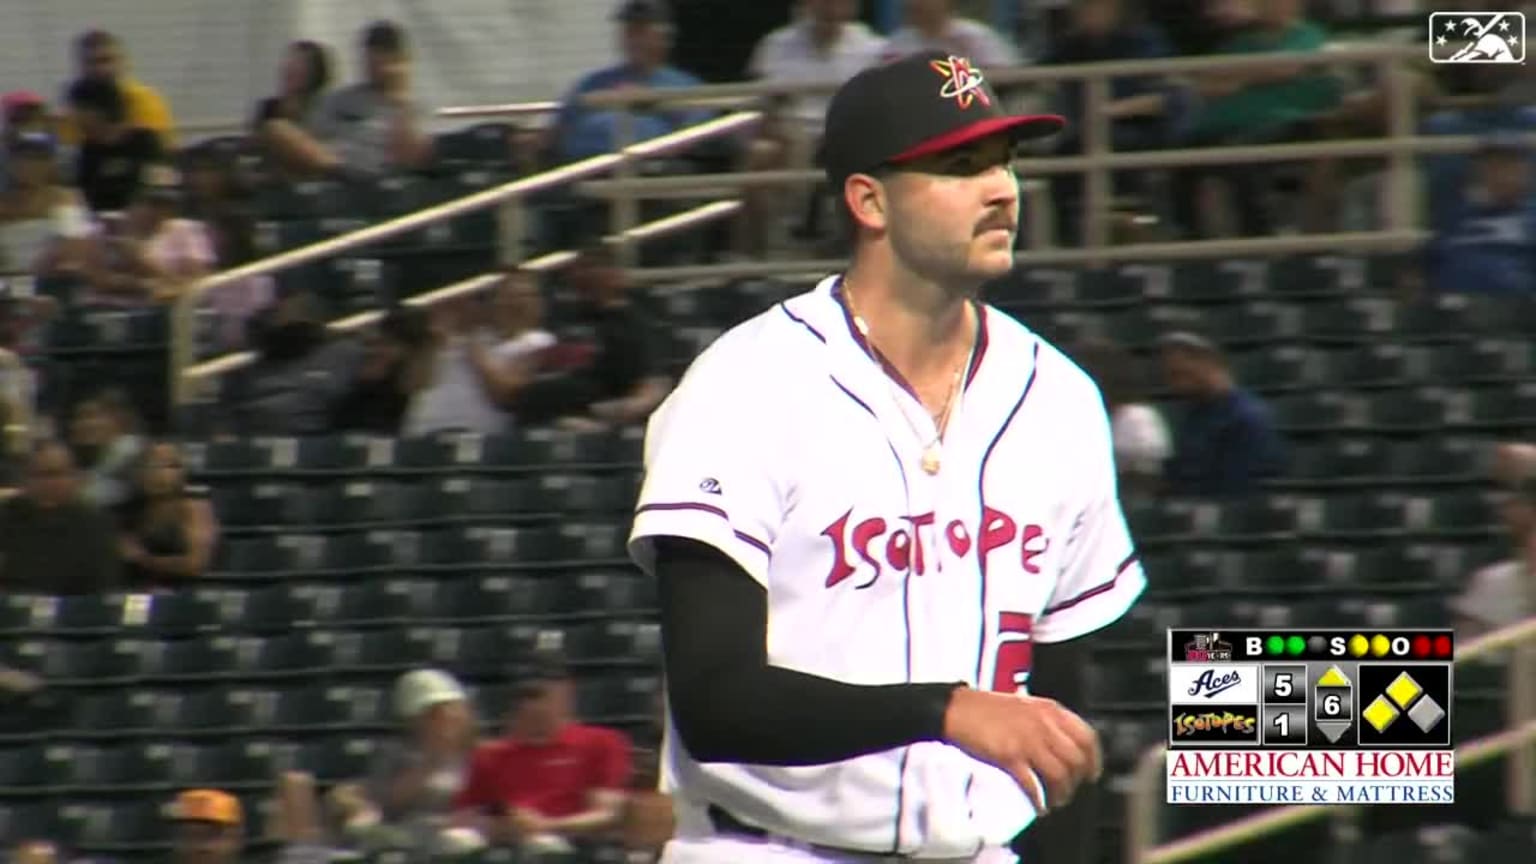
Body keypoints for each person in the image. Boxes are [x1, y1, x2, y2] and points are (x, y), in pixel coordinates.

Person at [627, 52, 1144, 862]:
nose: (1002, 189)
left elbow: (1058, 722)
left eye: (1005, 161)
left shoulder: (1061, 400)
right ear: (869, 201)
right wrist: (946, 711)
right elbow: (715, 702)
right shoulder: (747, 385)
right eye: (961, 166)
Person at [454, 654, 632, 855]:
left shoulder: (601, 743)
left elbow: (607, 814)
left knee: (546, 847)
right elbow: (463, 817)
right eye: (523, 696)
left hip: (576, 848)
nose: (530, 705)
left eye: (537, 694)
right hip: (510, 848)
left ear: (565, 693)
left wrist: (548, 826)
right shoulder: (489, 755)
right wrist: (502, 826)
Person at [1157, 331, 1285, 497]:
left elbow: (1239, 493)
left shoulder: (1246, 417)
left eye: (1181, 374)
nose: (1175, 386)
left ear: (1210, 362)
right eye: (1170, 377)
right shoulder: (1194, 415)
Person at [309, 21, 433, 177]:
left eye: (381, 62)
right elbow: (312, 138)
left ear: (400, 61)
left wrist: (401, 98)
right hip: (332, 171)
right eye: (368, 61)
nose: (371, 69)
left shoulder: (415, 110)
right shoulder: (341, 99)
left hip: (378, 178)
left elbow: (413, 158)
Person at [117, 440, 220, 590]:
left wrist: (146, 560)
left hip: (185, 593)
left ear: (182, 472)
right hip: (140, 592)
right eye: (150, 466)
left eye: (168, 466)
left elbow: (196, 564)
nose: (157, 473)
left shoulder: (195, 508)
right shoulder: (130, 511)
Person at [67, 76, 163, 213]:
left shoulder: (146, 142)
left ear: (97, 110)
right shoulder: (88, 151)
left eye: (78, 110)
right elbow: (84, 198)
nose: (74, 118)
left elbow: (159, 187)